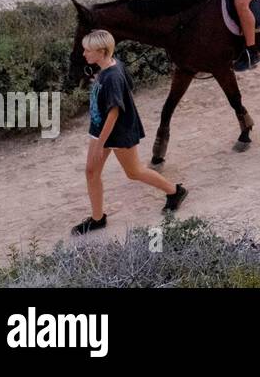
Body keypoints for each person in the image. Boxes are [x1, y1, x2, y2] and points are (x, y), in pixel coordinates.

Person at [72, 30, 186, 235]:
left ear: (101, 51)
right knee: (91, 171)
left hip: (118, 132)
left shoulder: (112, 76)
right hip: (99, 130)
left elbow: (114, 113)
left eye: (87, 50)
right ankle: (98, 218)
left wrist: (100, 144)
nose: (84, 54)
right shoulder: (109, 66)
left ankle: (175, 191)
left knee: (134, 172)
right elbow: (129, 86)